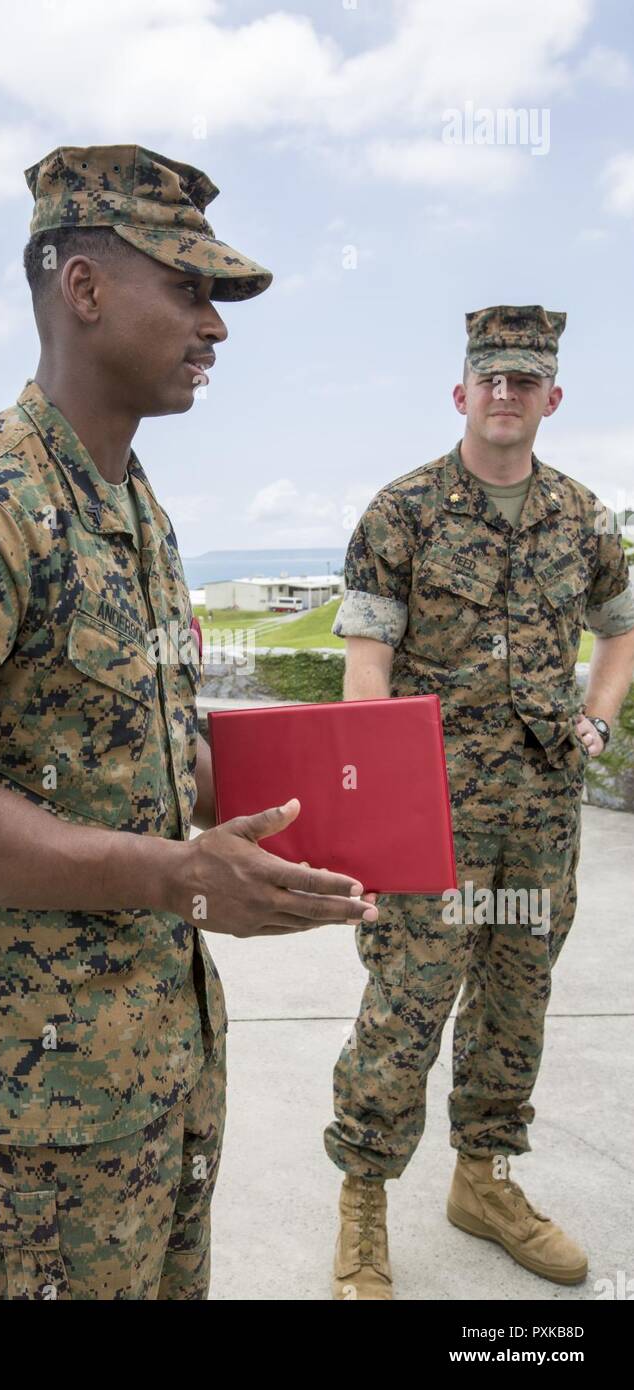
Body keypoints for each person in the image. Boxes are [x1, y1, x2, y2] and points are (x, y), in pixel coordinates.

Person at [0, 142, 377, 1301]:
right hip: (30, 1111)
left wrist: (339, 809)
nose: (214, 326)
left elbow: (144, 755)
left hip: (158, 1066)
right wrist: (174, 876)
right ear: (83, 289)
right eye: (187, 289)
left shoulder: (137, 513)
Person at [325, 304, 634, 1300]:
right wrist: (368, 814)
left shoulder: (584, 517)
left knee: (514, 1003)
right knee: (405, 1006)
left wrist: (594, 717)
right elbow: (363, 671)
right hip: (431, 815)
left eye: (523, 379)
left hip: (538, 815)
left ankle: (481, 1182)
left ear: (551, 396)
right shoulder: (400, 512)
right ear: (460, 394)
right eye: (488, 378)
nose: (504, 394)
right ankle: (363, 1201)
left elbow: (619, 630)